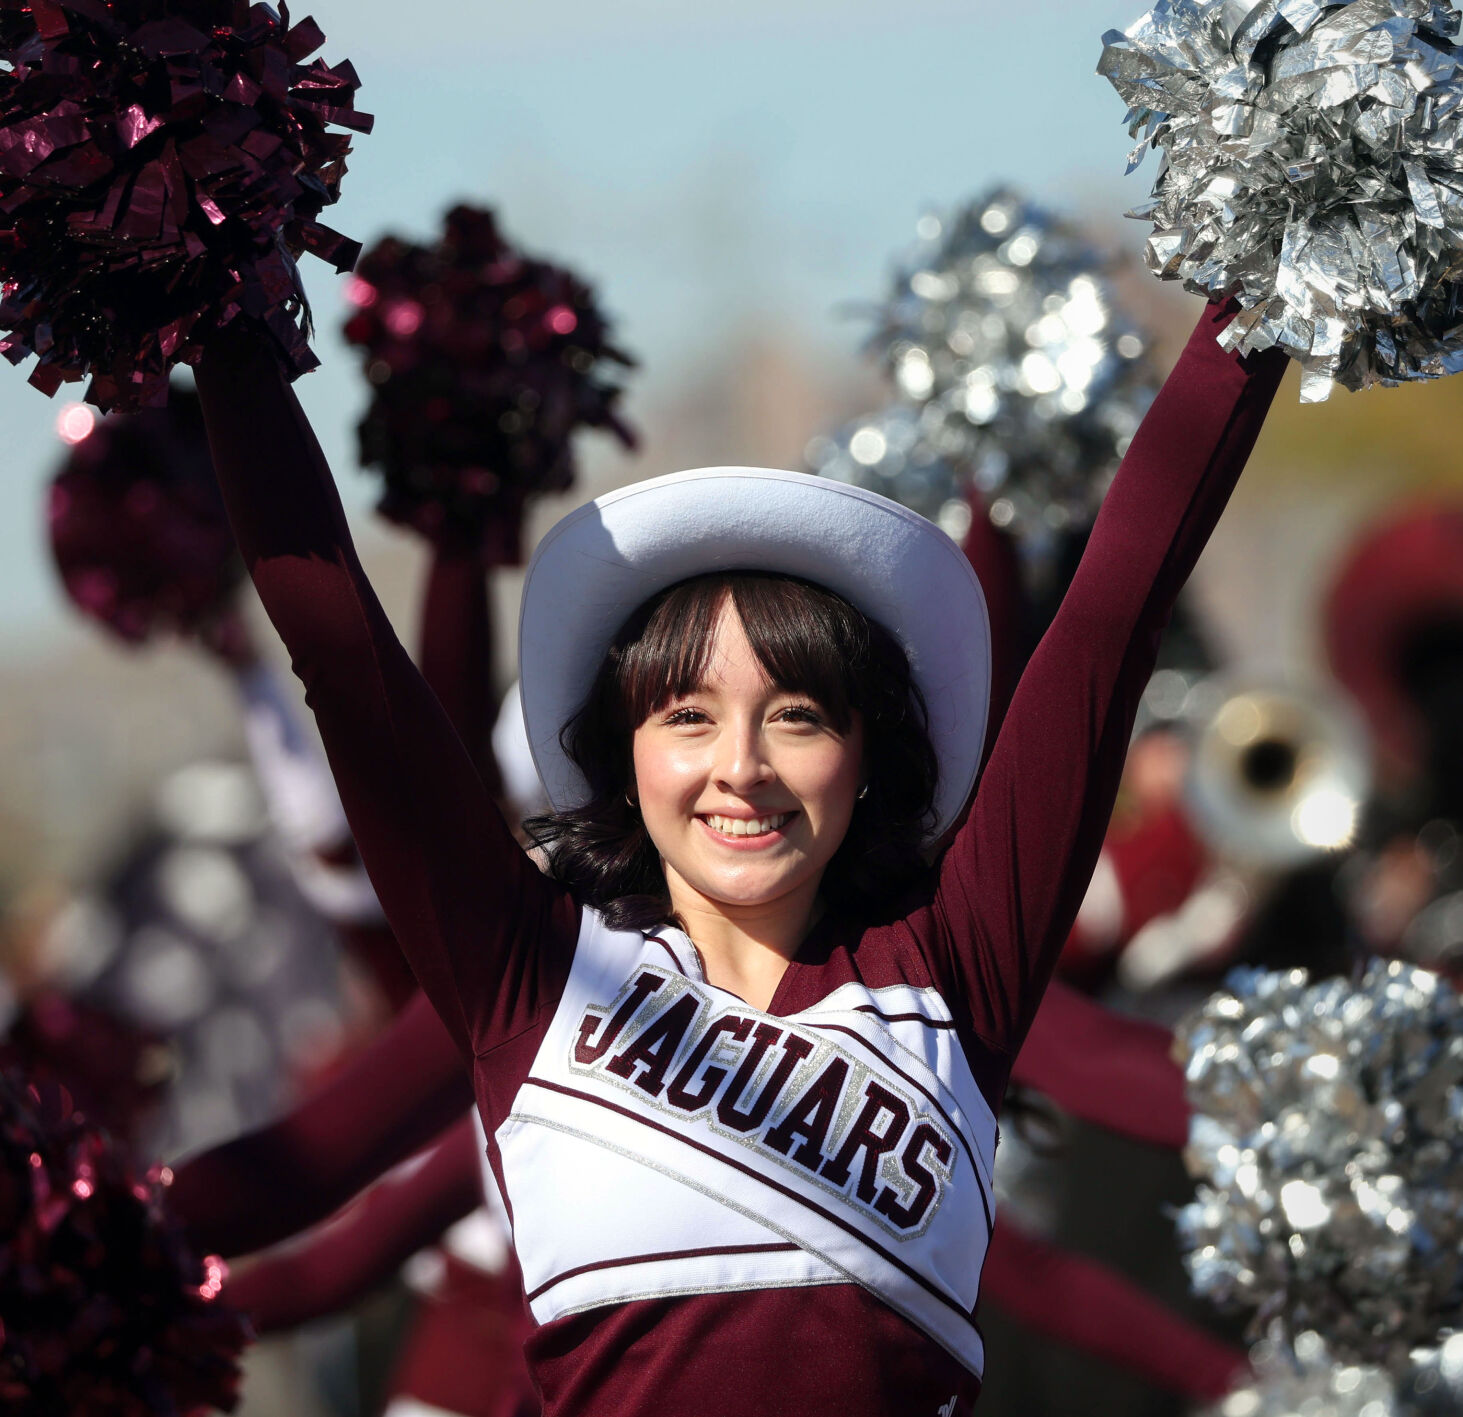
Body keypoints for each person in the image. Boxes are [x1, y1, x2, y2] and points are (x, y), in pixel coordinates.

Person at [191, 293, 1285, 1415]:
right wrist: (216, 298)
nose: (743, 768)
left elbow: (1112, 618)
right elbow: (336, 641)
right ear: (622, 759)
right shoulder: (528, 976)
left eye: (799, 714)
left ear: (868, 757)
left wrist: (1259, 275)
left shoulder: (952, 967)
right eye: (686, 716)